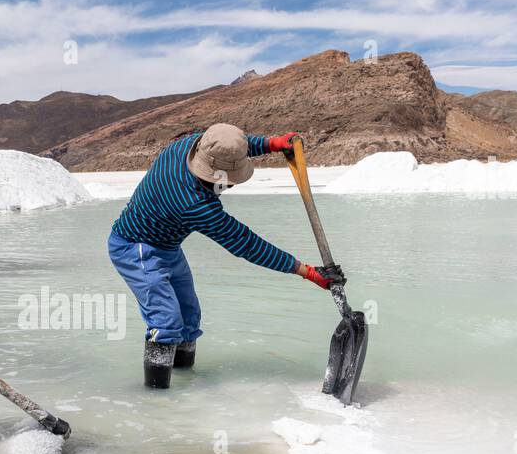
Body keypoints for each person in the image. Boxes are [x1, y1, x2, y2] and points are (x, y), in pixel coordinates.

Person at [107, 123, 344, 388]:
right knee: (166, 321)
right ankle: (158, 400)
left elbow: (234, 146)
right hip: (134, 247)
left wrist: (272, 144)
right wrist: (306, 272)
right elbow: (247, 244)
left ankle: (185, 383)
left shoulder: (191, 146)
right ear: (214, 174)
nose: (230, 185)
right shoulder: (194, 204)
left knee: (189, 317)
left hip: (167, 247)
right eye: (228, 180)